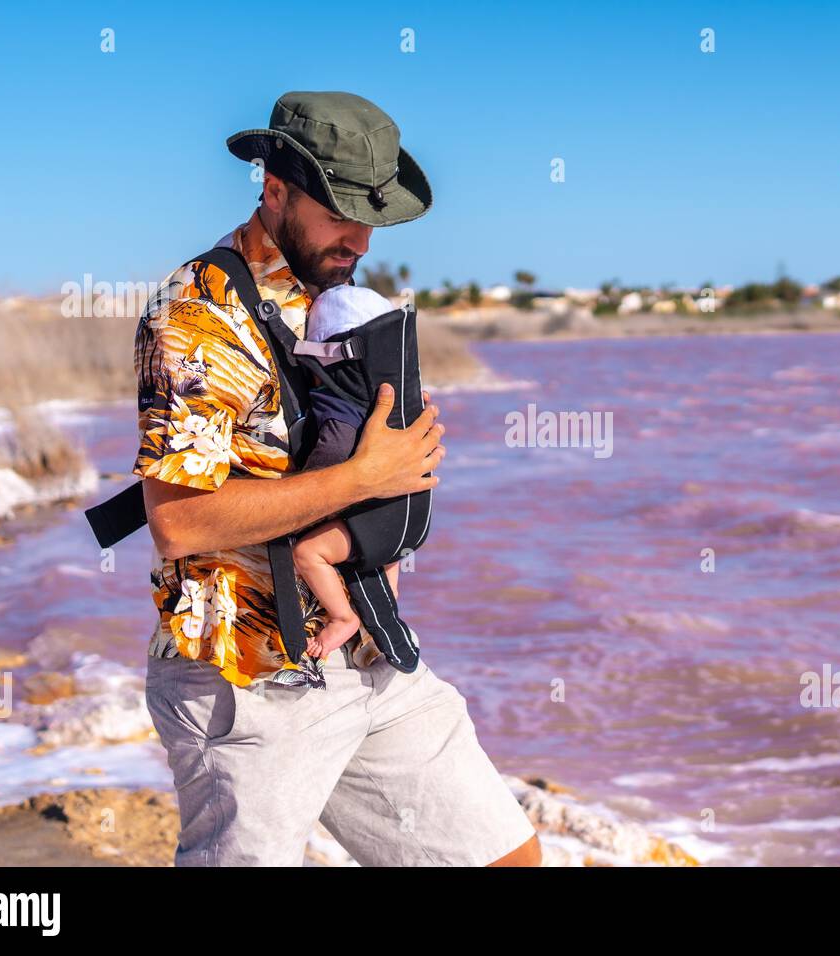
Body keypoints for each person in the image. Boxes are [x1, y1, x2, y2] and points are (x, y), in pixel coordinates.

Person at [135, 91, 541, 866]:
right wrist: (364, 476)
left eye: (369, 217)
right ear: (274, 187)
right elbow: (178, 521)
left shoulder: (340, 299)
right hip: (248, 681)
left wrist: (405, 453)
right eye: (337, 212)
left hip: (372, 653)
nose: (357, 238)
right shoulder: (193, 318)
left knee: (506, 857)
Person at [292, 283, 406, 661]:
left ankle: (343, 619)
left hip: (360, 524)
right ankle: (384, 620)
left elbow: (332, 454)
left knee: (309, 552)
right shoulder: (398, 399)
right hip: (400, 521)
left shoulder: (339, 406)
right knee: (388, 558)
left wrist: (297, 485)